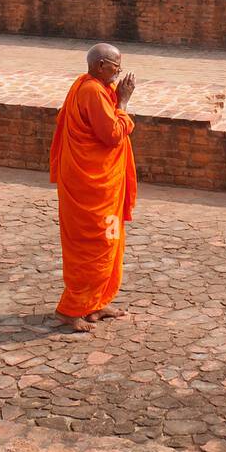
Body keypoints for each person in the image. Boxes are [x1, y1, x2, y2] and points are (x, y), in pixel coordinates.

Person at [50, 42, 137, 332]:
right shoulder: (89, 91)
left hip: (101, 186)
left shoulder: (91, 87)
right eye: (116, 67)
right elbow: (112, 134)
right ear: (101, 66)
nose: (119, 72)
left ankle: (97, 302)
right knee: (92, 245)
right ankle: (71, 309)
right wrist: (124, 102)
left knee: (109, 242)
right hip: (89, 189)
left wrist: (117, 97)